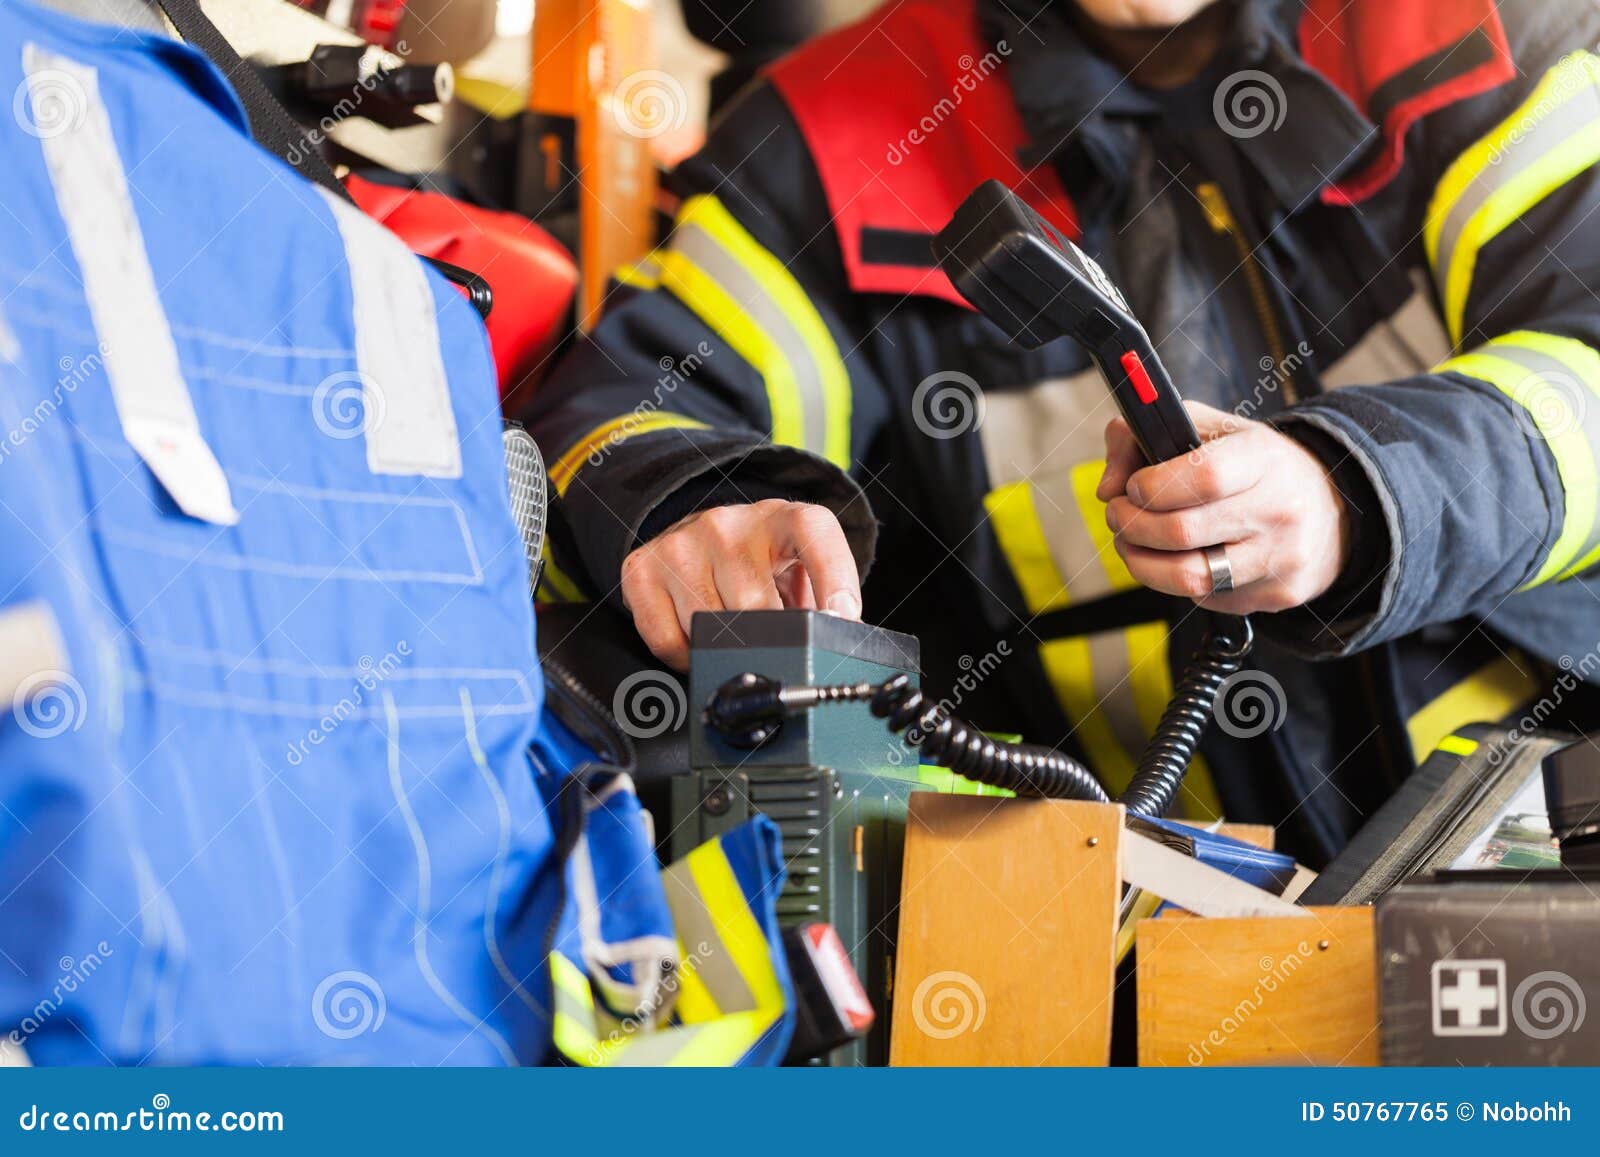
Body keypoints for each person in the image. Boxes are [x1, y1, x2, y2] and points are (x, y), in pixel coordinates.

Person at [528, 0, 1600, 863]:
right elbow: (628, 403)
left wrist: (1354, 491)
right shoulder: (834, 136)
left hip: (1543, 842)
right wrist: (687, 505)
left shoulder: (1479, 31)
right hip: (1119, 942)